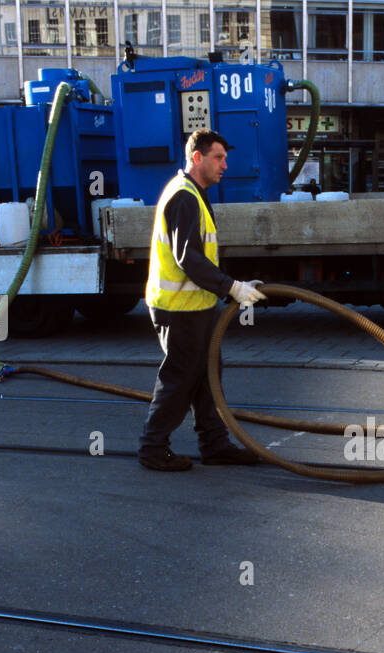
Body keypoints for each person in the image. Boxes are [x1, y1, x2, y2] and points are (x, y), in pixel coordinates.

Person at [138, 129, 264, 471]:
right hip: (179, 310)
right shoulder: (184, 196)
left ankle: (215, 445)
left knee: (208, 376)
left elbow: (199, 255)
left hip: (196, 307)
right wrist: (231, 287)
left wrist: (231, 284)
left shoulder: (193, 193)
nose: (225, 165)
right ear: (197, 158)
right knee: (180, 379)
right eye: (218, 158)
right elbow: (188, 258)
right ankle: (152, 448)